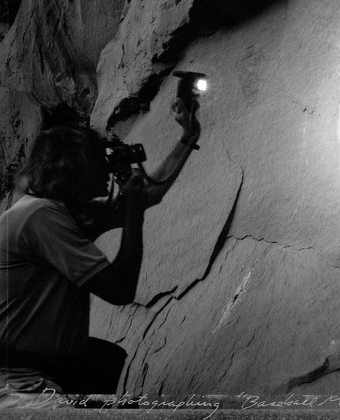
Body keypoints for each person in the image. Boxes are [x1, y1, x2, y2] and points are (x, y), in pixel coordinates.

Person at [0, 97, 200, 404]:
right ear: (75, 168)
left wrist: (188, 137)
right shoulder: (40, 216)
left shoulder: (56, 211)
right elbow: (119, 289)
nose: (106, 170)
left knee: (105, 358)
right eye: (98, 160)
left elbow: (149, 194)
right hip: (17, 381)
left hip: (42, 370)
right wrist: (133, 216)